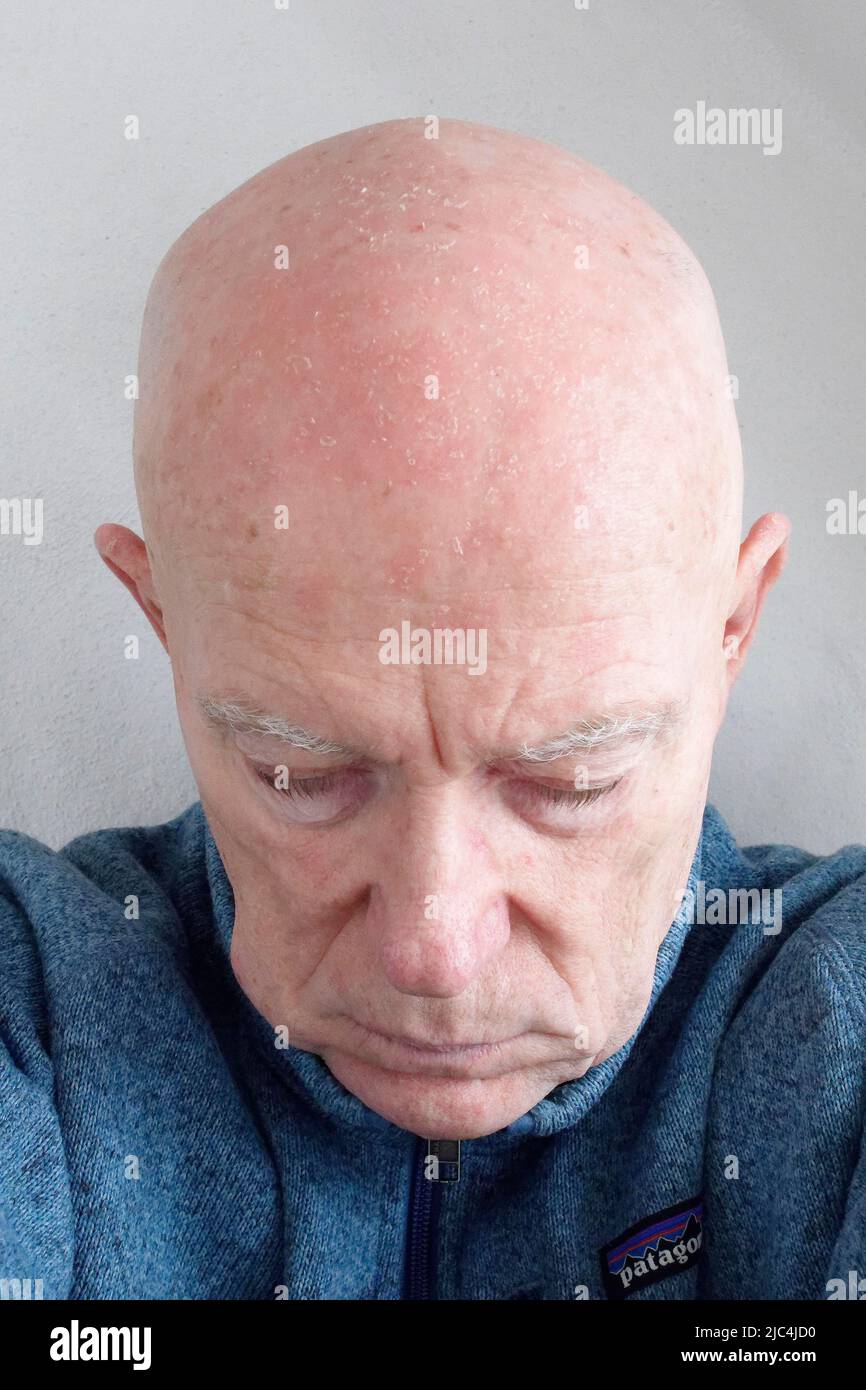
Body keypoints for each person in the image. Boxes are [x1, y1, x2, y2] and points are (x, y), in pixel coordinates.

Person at [1, 117, 863, 1301]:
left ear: (732, 631)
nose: (432, 955)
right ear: (162, 617)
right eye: (296, 772)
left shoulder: (837, 1015)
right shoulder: (31, 1002)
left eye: (569, 784)